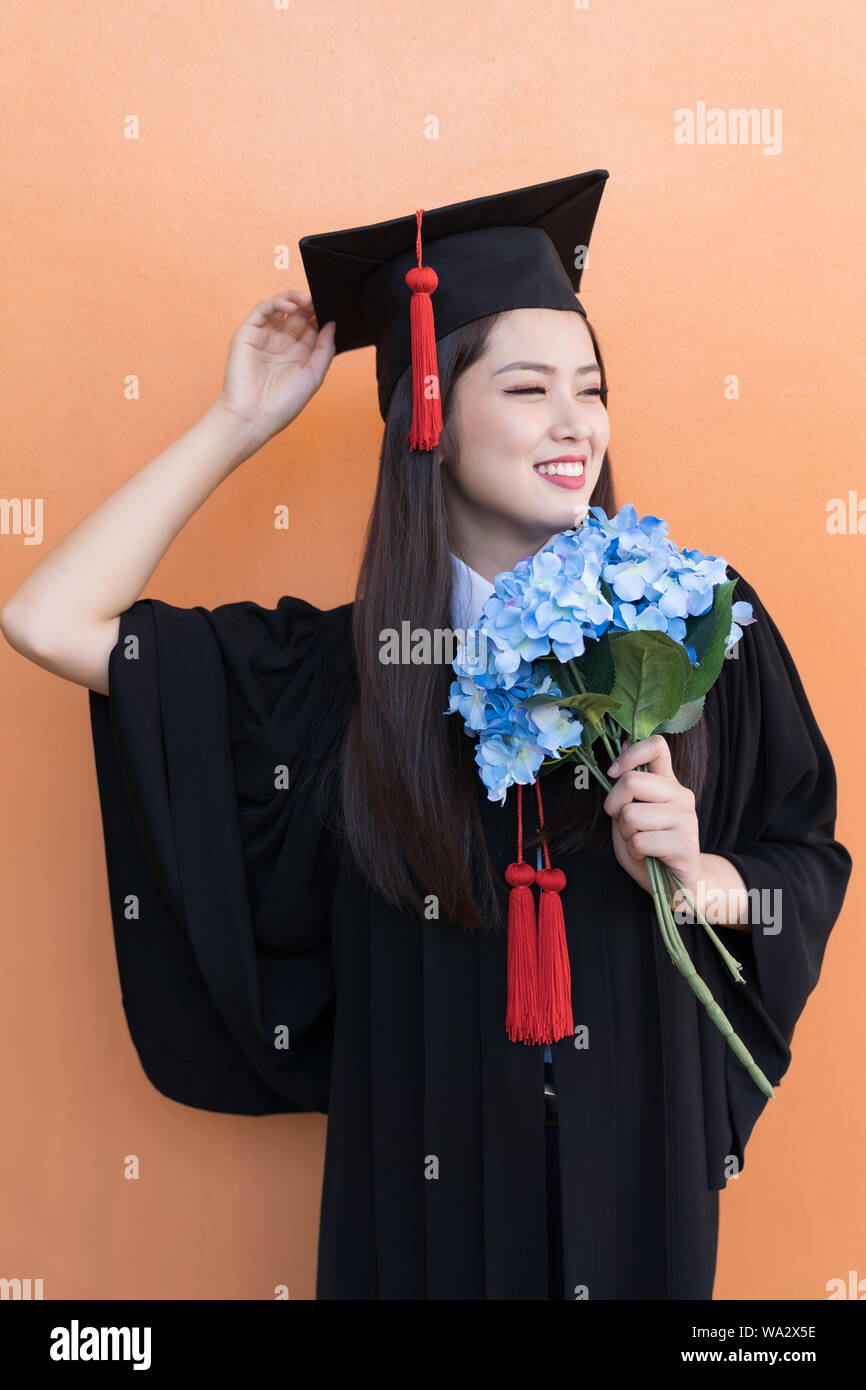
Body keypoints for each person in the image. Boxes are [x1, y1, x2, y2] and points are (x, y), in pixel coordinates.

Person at [1, 172, 852, 1300]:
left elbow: (806, 867)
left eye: (591, 388)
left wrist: (707, 880)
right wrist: (239, 422)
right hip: (417, 1201)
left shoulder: (694, 628)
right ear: (431, 418)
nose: (574, 425)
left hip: (636, 1181)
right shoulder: (338, 676)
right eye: (527, 387)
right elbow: (46, 619)